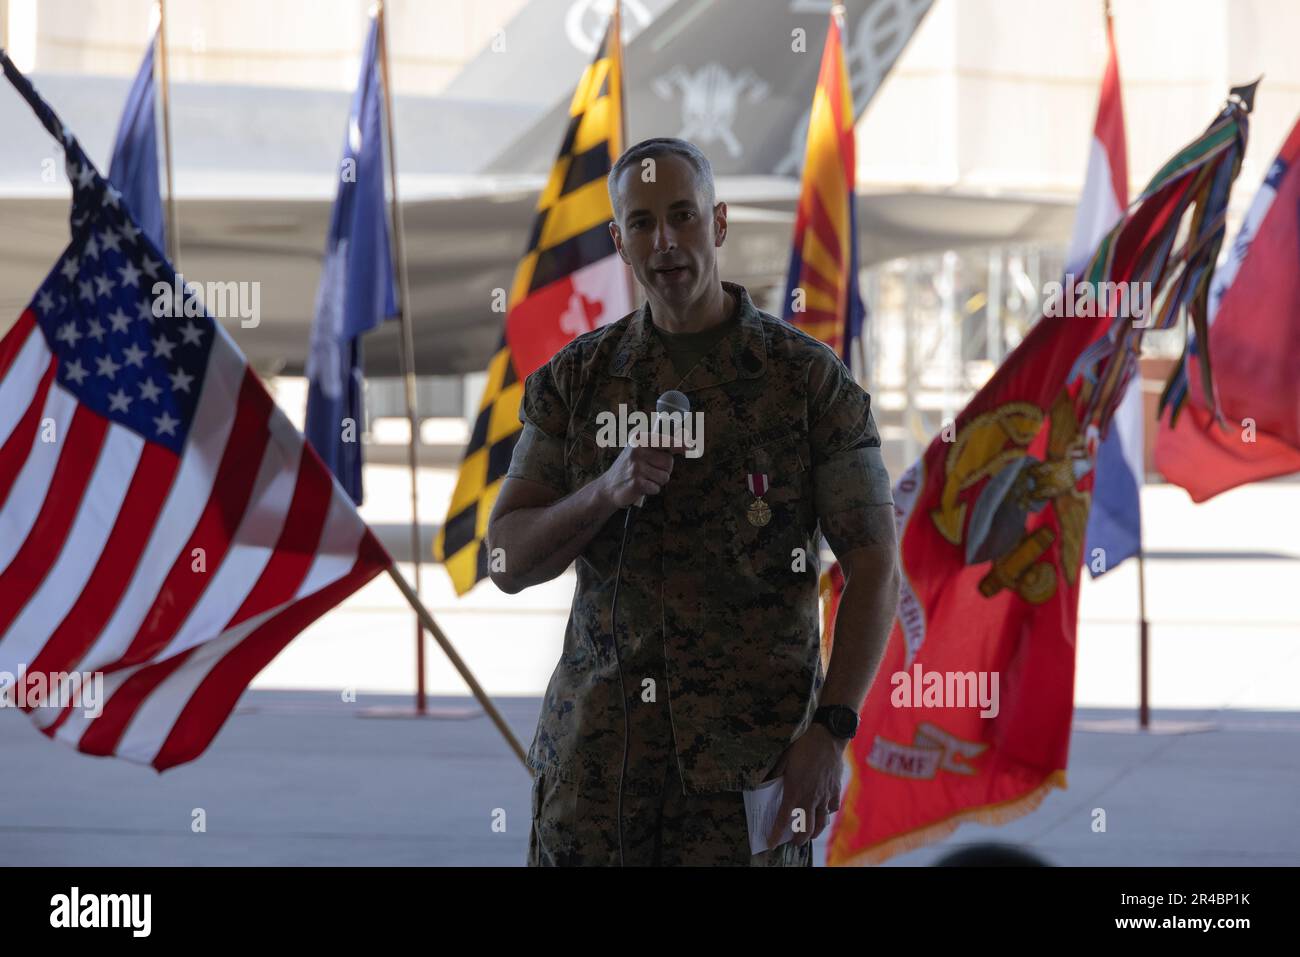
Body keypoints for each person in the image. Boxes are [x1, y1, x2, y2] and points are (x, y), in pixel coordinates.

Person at [487, 137, 899, 866]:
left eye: (683, 215)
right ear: (619, 240)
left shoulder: (806, 384)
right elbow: (507, 558)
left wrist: (831, 732)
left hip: (745, 783)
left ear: (720, 223)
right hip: (595, 783)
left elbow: (874, 569)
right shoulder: (576, 382)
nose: (666, 241)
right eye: (642, 223)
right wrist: (602, 492)